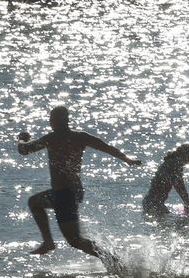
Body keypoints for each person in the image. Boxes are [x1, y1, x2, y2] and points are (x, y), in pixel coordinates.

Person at [17, 105, 142, 257]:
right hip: (71, 191)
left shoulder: (51, 139)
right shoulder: (80, 137)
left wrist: (22, 139)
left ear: (57, 121)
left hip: (64, 194)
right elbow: (107, 148)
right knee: (35, 202)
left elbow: (24, 150)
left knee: (75, 241)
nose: (50, 122)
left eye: (51, 119)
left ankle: (113, 261)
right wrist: (127, 160)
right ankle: (48, 242)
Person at [143, 143, 189, 216]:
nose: (188, 162)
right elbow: (179, 185)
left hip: (150, 202)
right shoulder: (176, 164)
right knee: (180, 224)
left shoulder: (170, 161)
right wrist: (187, 202)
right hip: (155, 204)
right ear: (185, 156)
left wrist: (186, 201)